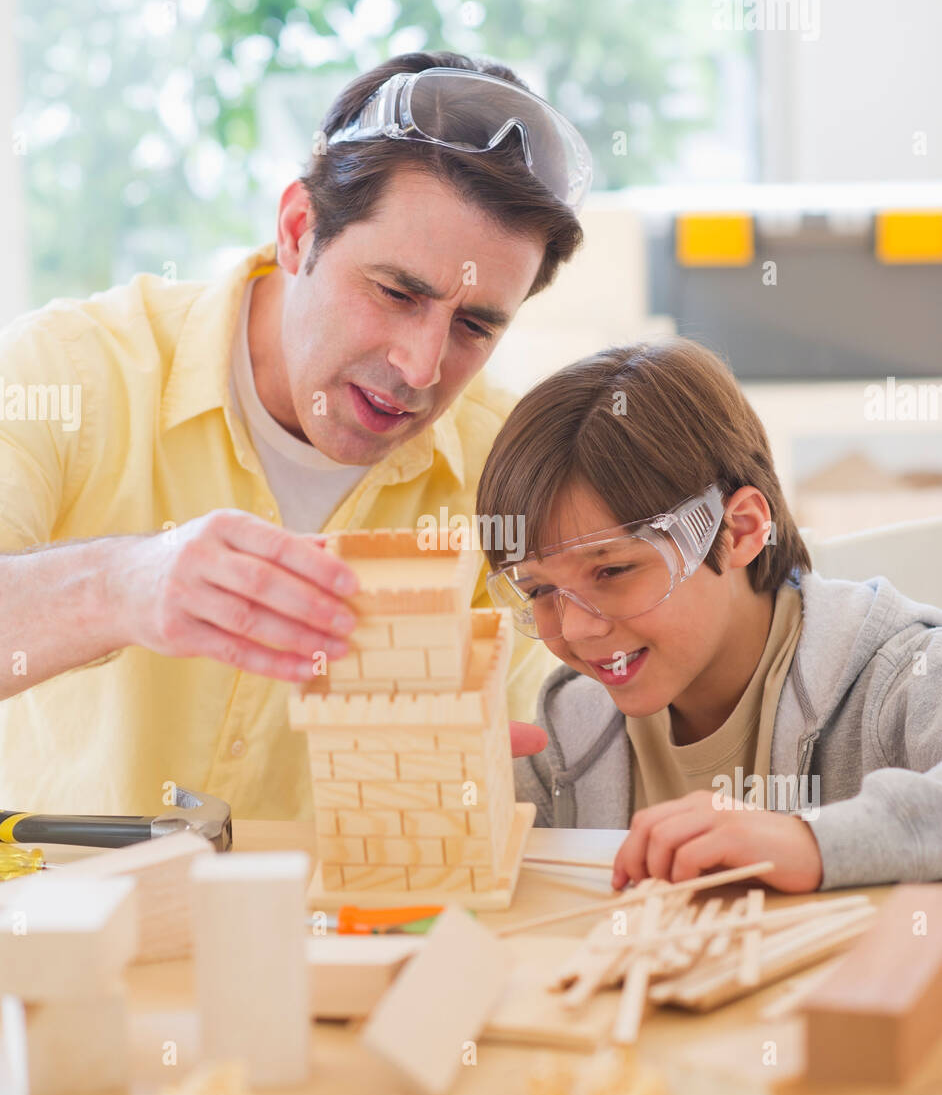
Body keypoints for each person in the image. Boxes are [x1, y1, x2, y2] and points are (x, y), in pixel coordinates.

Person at [0, 51, 587, 820]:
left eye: (475, 326)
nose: (420, 367)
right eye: (397, 292)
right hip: (62, 924)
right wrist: (123, 583)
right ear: (298, 228)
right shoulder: (71, 371)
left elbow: (552, 739)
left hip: (348, 937)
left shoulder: (505, 468)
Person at [479, 338, 942, 892]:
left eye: (613, 572)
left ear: (740, 530)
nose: (575, 629)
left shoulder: (900, 675)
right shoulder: (569, 725)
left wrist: (807, 843)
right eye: (537, 590)